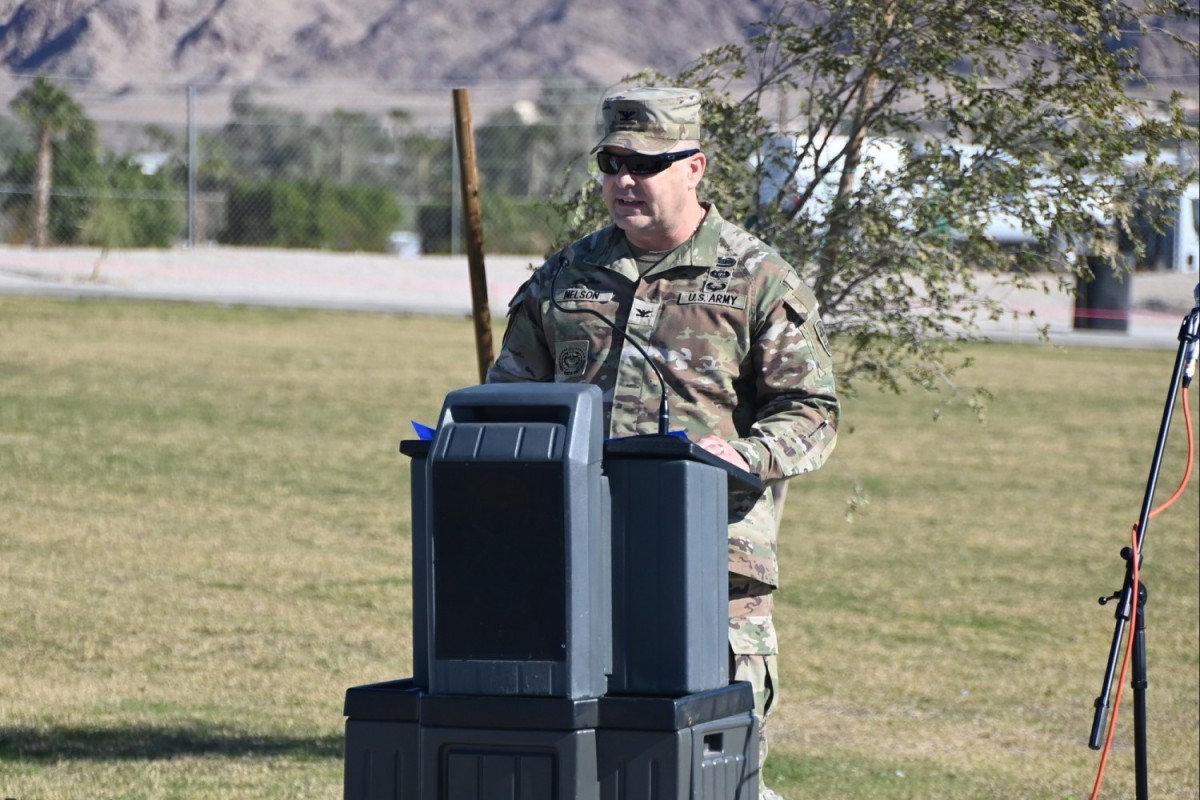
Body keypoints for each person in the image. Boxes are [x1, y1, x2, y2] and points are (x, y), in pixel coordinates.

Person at [486, 86, 839, 799]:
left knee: (712, 774)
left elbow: (812, 410)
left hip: (711, 569)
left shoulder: (757, 278)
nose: (622, 181)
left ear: (695, 167)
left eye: (643, 164)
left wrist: (745, 457)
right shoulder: (565, 278)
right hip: (580, 567)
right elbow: (510, 401)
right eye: (611, 162)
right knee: (587, 769)